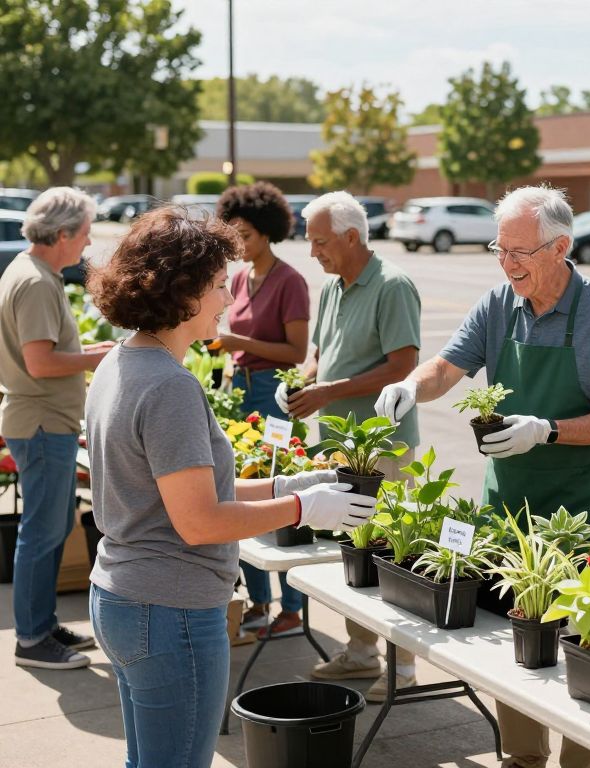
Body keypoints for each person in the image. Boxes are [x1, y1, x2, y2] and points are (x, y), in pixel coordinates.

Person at [85, 207, 374, 768]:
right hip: (169, 609)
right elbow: (199, 522)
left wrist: (289, 482)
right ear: (183, 292)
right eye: (220, 286)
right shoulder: (169, 387)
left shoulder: (122, 363)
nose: (229, 300)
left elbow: (180, 491)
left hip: (122, 596)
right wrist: (300, 507)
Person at [376, 185, 590, 768]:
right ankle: (522, 757)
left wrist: (545, 429)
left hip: (580, 509)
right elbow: (447, 367)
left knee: (582, 642)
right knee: (517, 640)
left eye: (521, 251)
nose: (509, 263)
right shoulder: (499, 304)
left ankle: (580, 761)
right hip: (510, 506)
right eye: (501, 250)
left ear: (561, 246)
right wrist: (408, 388)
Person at [273, 191, 422, 702]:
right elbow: (319, 355)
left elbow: (402, 367)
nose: (312, 251)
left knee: (390, 557)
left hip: (383, 448)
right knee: (351, 553)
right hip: (339, 444)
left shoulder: (393, 286)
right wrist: (298, 380)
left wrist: (326, 392)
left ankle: (403, 669)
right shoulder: (336, 287)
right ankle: (361, 654)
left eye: (319, 241)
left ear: (352, 236)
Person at [0, 187, 114, 670]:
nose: (86, 245)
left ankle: (41, 625)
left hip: (44, 421)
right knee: (42, 532)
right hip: (43, 421)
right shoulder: (38, 282)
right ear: (62, 233)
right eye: (85, 235)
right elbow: (41, 363)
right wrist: (100, 355)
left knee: (49, 528)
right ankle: (31, 639)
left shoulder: (31, 273)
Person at [215, 182, 311, 638]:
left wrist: (237, 342)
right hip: (240, 390)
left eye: (247, 235)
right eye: (235, 235)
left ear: (269, 232)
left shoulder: (290, 280)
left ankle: (292, 609)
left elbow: (295, 352)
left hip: (273, 394)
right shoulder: (237, 279)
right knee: (238, 495)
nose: (241, 244)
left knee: (274, 490)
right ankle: (258, 601)